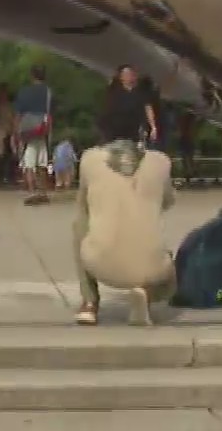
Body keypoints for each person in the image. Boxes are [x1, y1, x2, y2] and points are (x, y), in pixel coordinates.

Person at [71, 132, 176, 327]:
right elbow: (168, 201)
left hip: (99, 264)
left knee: (79, 227)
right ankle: (147, 292)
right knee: (166, 258)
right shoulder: (161, 161)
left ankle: (89, 303)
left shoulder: (90, 159)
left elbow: (82, 205)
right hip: (151, 269)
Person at [14, 65, 55, 206]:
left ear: (32, 76)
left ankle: (32, 192)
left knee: (29, 163)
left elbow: (18, 114)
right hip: (42, 129)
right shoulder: (48, 92)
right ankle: (43, 192)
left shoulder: (24, 92)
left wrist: (16, 132)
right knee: (42, 162)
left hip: (27, 131)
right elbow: (50, 112)